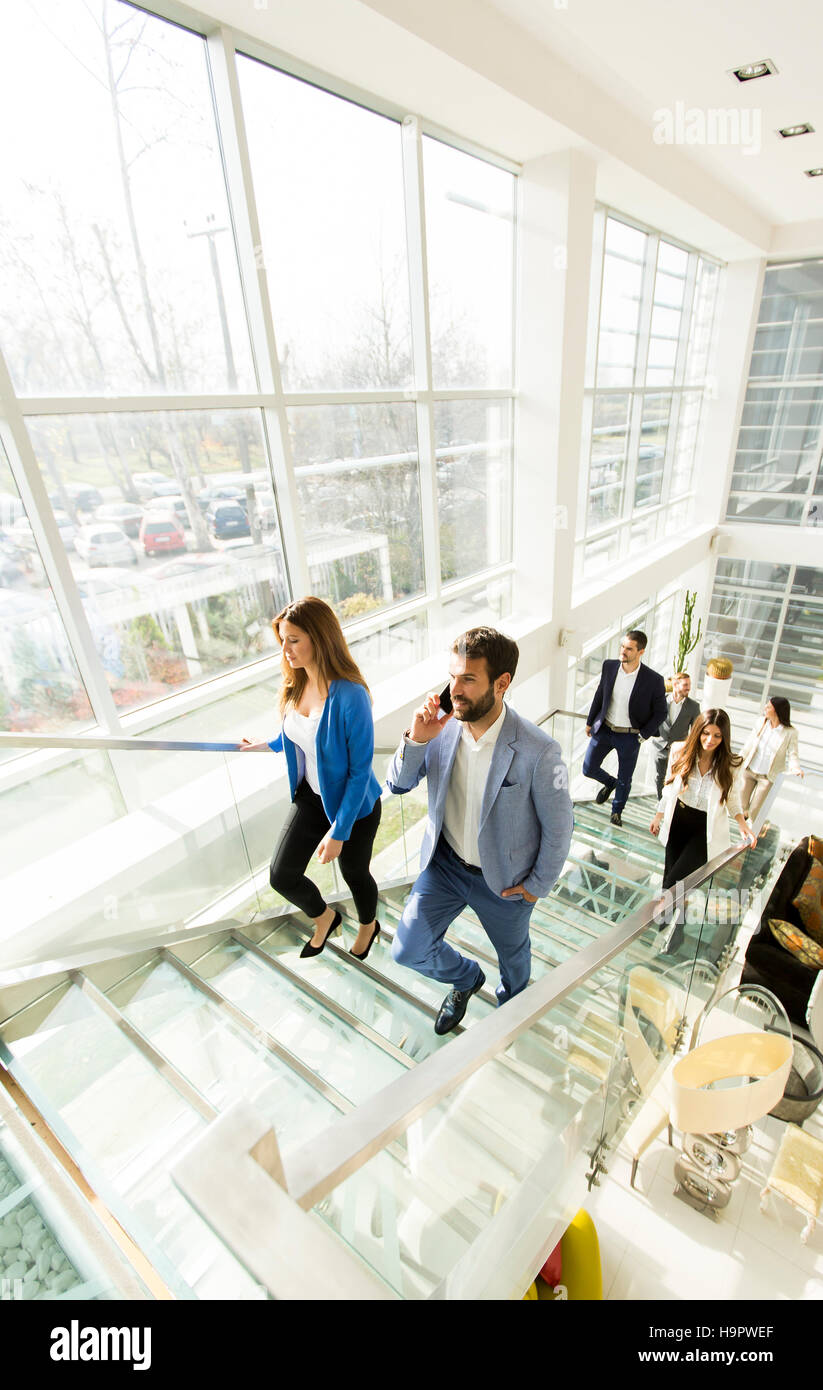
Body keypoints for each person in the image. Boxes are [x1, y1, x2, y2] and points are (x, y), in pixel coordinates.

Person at [385, 627, 574, 1035]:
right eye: (453, 676)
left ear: (502, 684)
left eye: (468, 679)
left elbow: (560, 828)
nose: (455, 690)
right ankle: (466, 979)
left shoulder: (539, 751)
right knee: (406, 950)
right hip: (445, 867)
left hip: (506, 886)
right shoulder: (439, 729)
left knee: (514, 961)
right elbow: (396, 785)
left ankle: (511, 1011)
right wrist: (416, 740)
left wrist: (536, 886)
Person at [240, 596, 383, 961]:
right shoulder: (295, 684)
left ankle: (368, 924)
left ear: (320, 638)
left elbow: (358, 771)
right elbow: (298, 730)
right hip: (312, 796)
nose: (285, 649)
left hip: (354, 805)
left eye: (294, 639)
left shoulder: (352, 696)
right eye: (283, 640)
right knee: (281, 874)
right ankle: (325, 918)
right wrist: (270, 744)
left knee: (354, 872)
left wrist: (339, 831)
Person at [649, 708, 756, 894]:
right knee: (669, 879)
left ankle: (666, 917)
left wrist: (741, 823)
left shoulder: (732, 764)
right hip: (677, 821)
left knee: (678, 881)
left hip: (704, 829)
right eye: (706, 733)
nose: (710, 740)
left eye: (717, 736)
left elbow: (732, 798)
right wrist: (658, 816)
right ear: (698, 731)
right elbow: (669, 788)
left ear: (724, 737)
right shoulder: (679, 751)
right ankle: (669, 922)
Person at [583, 629, 667, 827]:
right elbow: (599, 695)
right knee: (588, 768)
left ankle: (616, 812)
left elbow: (661, 712)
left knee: (625, 778)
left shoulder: (653, 680)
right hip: (604, 729)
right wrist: (590, 722)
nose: (623, 651)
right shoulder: (609, 666)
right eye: (622, 646)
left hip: (629, 736)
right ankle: (609, 783)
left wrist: (643, 735)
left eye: (629, 648)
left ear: (641, 652)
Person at [738, 696, 804, 824]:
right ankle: (740, 832)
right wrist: (738, 759)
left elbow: (793, 753)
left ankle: (752, 836)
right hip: (749, 770)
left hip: (767, 777)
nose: (765, 708)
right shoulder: (760, 722)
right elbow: (749, 744)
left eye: (768, 707)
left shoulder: (790, 732)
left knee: (755, 811)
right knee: (741, 807)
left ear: (777, 711)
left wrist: (795, 767)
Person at [650, 672, 700, 799]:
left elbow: (695, 731)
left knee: (676, 779)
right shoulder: (660, 700)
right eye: (685, 685)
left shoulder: (694, 706)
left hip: (679, 751)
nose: (688, 688)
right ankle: (660, 801)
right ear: (675, 684)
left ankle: (671, 803)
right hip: (660, 747)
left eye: (689, 685)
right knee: (659, 777)